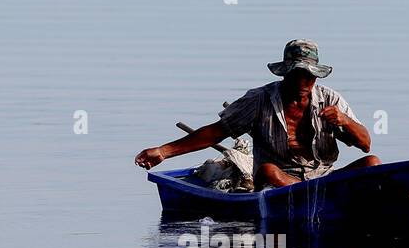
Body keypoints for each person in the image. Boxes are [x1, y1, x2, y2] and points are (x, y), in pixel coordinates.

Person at [134, 39, 378, 189]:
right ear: (285, 73)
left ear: (316, 76)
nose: (304, 80)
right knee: (268, 171)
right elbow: (215, 133)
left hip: (324, 178)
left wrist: (344, 121)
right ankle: (311, 197)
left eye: (309, 75)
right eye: (297, 74)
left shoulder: (331, 100)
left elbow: (365, 145)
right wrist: (164, 151)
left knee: (372, 163)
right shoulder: (259, 100)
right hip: (281, 182)